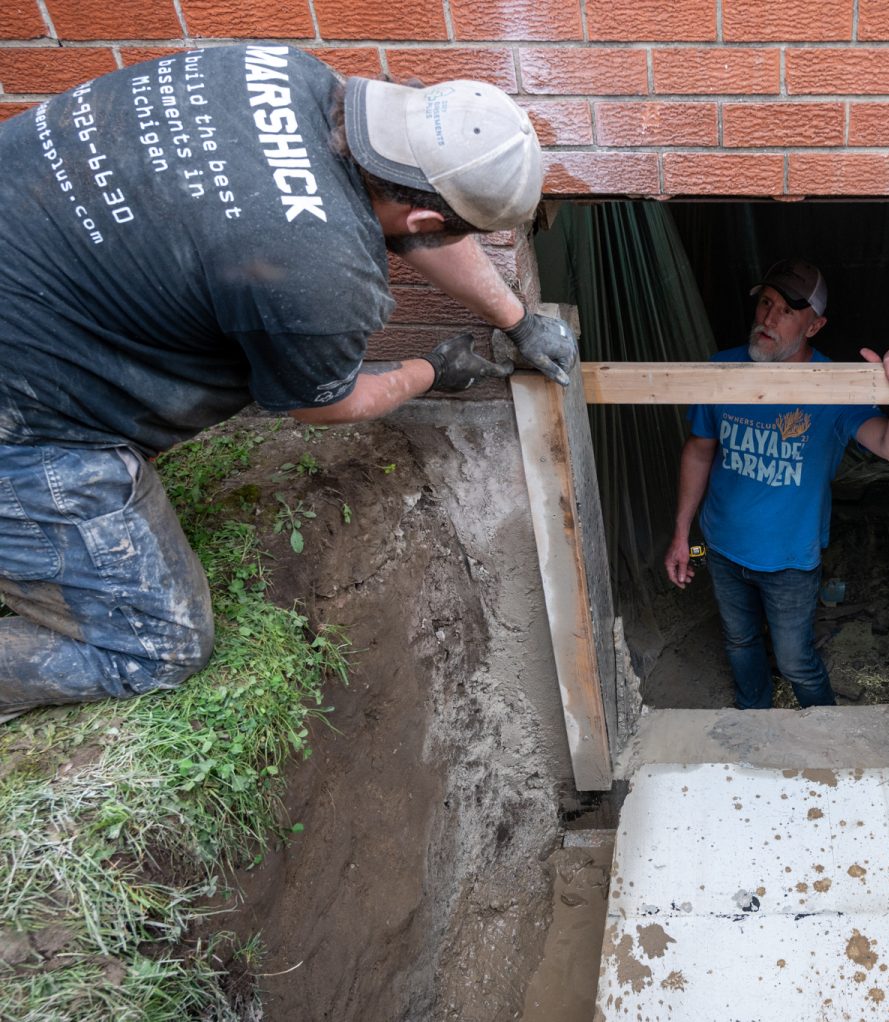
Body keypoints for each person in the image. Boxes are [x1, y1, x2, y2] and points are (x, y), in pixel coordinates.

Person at [0, 44, 578, 719]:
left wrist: (516, 318)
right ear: (424, 217)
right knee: (156, 645)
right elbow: (324, 404)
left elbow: (417, 215)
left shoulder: (290, 72)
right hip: (26, 417)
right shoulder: (320, 273)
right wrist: (431, 371)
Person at [664, 258, 889, 709]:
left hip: (790, 563)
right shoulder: (720, 370)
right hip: (720, 548)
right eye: (766, 303)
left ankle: (823, 731)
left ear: (814, 326)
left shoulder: (831, 387)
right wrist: (682, 537)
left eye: (787, 311)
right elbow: (699, 450)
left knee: (795, 661)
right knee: (739, 641)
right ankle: (753, 716)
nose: (769, 319)